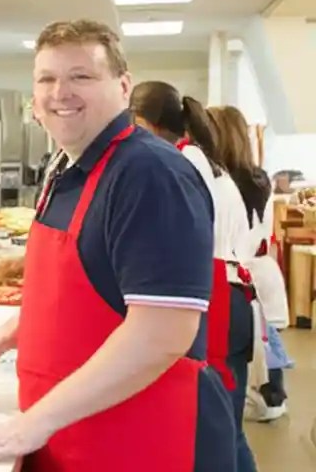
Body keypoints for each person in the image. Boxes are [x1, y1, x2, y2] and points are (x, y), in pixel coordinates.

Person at [0, 20, 234, 470]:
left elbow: (163, 334)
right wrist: (0, 340)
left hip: (138, 444)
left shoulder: (148, 174)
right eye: (47, 78)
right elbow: (69, 299)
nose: (61, 92)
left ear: (123, 87)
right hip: (73, 437)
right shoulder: (66, 168)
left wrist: (36, 421)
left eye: (81, 76)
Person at [130, 82, 257, 472]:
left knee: (216, 427)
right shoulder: (202, 159)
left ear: (144, 125)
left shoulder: (177, 163)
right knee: (226, 424)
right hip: (232, 292)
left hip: (216, 298)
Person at [208, 104, 293, 422]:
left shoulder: (221, 183)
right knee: (266, 341)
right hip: (261, 269)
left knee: (244, 351)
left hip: (238, 274)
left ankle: (259, 400)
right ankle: (273, 397)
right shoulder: (259, 179)